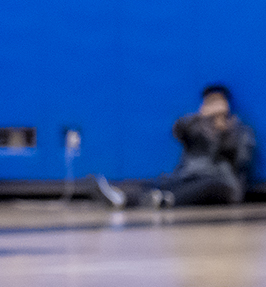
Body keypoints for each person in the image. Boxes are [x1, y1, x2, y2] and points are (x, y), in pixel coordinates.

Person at [96, 85, 258, 208]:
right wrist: (200, 117)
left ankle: (164, 200)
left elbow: (242, 160)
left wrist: (225, 132)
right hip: (189, 175)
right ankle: (121, 196)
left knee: (206, 186)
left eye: (218, 101)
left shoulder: (239, 130)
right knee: (160, 182)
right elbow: (178, 130)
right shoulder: (197, 126)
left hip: (222, 181)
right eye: (210, 102)